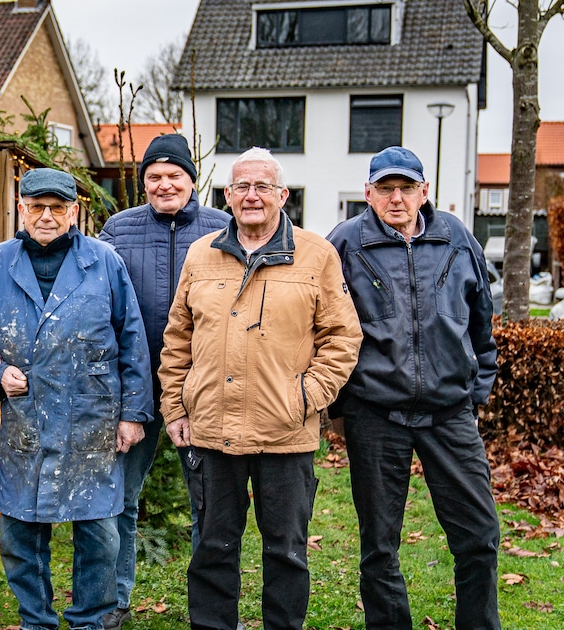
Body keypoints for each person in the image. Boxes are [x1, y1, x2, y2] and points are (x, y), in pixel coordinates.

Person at [159, 148, 363, 630]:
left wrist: (305, 398)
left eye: (262, 187)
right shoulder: (202, 252)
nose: (252, 196)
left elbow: (343, 337)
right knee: (212, 551)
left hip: (285, 435)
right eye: (242, 187)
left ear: (282, 195)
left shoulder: (317, 255)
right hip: (211, 431)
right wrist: (175, 408)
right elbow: (177, 339)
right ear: (228, 196)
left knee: (287, 553)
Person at [326, 146, 500, 630]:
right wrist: (341, 406)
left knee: (479, 536)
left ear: (425, 192)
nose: (396, 197)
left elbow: (482, 321)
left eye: (406, 188)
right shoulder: (344, 244)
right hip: (376, 414)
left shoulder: (457, 239)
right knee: (379, 546)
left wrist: (476, 391)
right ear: (368, 193)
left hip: (450, 413)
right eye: (385, 188)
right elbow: (319, 326)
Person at [0, 167, 153, 630]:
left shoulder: (104, 261)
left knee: (99, 532)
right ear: (22, 210)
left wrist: (133, 414)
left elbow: (132, 338)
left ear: (75, 211)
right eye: (38, 207)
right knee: (20, 529)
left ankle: (90, 619)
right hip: (26, 418)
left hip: (91, 416)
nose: (48, 217)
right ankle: (36, 619)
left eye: (59, 207)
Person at [95, 133, 229, 630]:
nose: (165, 184)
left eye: (175, 175)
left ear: (192, 181)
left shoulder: (224, 228)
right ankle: (113, 601)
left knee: (209, 505)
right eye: (154, 176)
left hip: (202, 391)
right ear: (143, 182)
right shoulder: (117, 229)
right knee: (119, 500)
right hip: (132, 390)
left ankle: (209, 608)